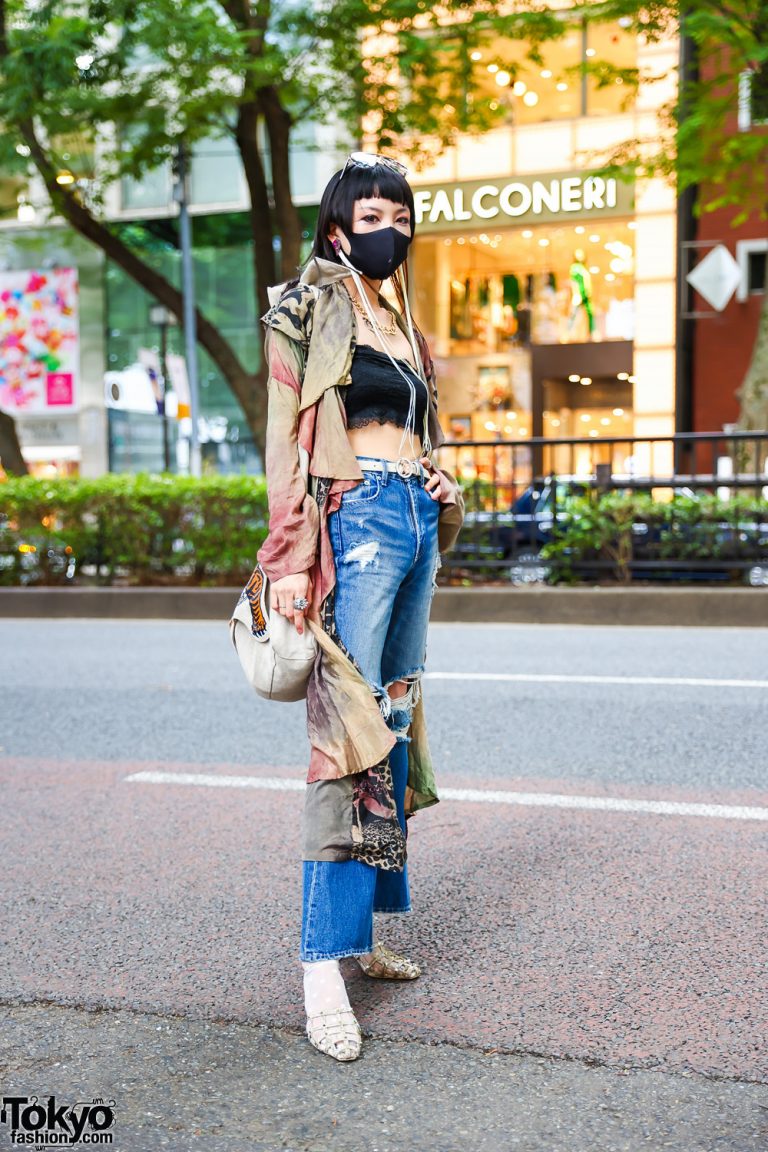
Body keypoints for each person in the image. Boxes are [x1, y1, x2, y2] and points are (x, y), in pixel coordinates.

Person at [256, 153, 465, 1062]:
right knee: (343, 739)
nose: (390, 226)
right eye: (371, 211)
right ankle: (318, 966)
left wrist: (438, 471)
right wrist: (291, 555)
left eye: (401, 214)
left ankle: (369, 933)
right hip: (356, 523)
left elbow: (412, 422)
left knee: (394, 724)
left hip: (412, 518)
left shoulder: (407, 322)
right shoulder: (307, 305)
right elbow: (283, 438)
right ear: (338, 226)